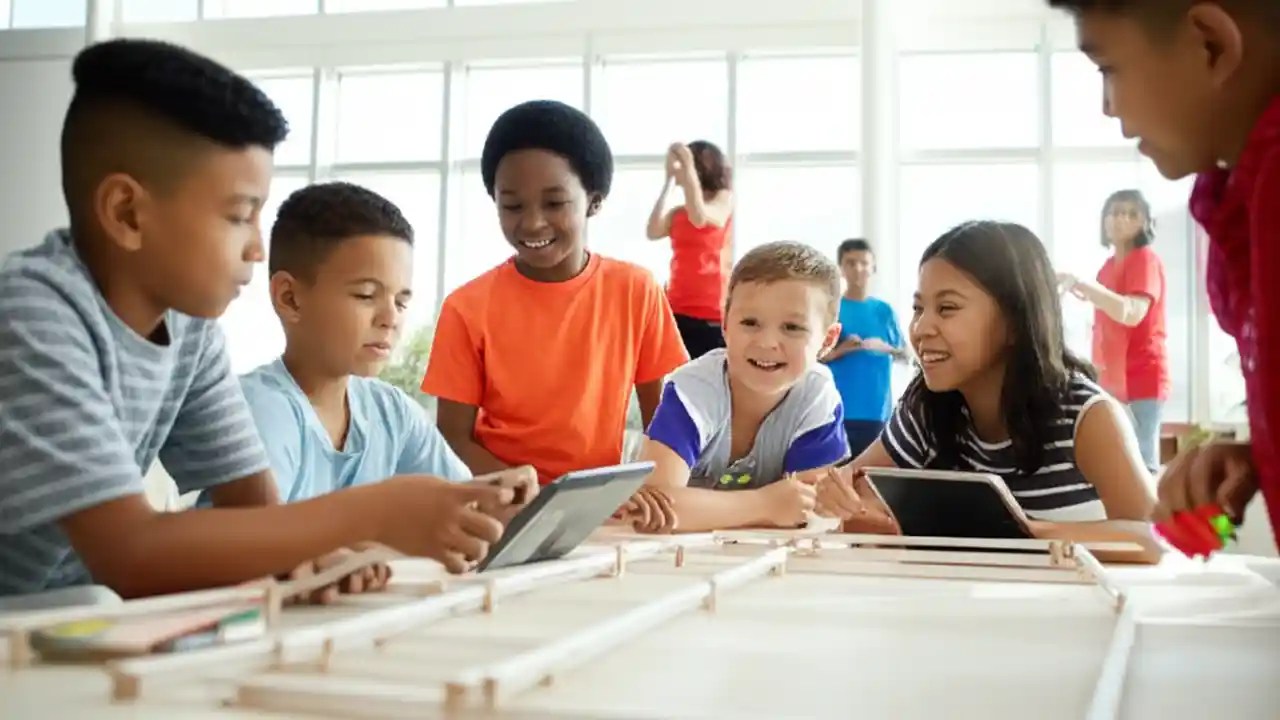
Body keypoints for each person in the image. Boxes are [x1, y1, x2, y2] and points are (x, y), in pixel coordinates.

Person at [0, 39, 518, 605]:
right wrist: (373, 513)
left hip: (72, 619)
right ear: (127, 213)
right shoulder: (33, 314)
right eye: (239, 216)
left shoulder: (189, 331)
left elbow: (255, 511)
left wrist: (313, 559)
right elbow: (129, 554)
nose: (256, 248)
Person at [1045, 0, 1280, 545]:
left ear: (1210, 45)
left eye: (1109, 69)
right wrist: (1263, 455)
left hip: (1142, 381)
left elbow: (1131, 312)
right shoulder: (1239, 194)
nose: (1107, 107)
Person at [814, 222, 1156, 552]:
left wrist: (1015, 531)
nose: (920, 328)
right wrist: (853, 505)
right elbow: (851, 484)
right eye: (919, 308)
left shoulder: (1086, 416)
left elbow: (1151, 538)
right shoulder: (926, 407)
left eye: (947, 308)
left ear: (1014, 321)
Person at [422, 100, 689, 485]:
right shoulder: (466, 307)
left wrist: (648, 489)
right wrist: (535, 496)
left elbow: (662, 425)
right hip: (502, 500)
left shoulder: (636, 290)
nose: (532, 223)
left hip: (599, 502)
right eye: (512, 205)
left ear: (593, 201)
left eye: (554, 203)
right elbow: (452, 438)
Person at [236, 182, 473, 503]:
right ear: (290, 298)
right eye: (366, 295)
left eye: (401, 302)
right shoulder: (261, 411)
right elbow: (258, 531)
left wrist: (505, 495)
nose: (390, 318)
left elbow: (467, 501)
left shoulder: (391, 411)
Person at [620, 241, 851, 534]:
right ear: (726, 325)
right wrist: (765, 505)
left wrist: (799, 507)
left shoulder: (817, 396)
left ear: (827, 340)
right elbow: (654, 507)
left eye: (792, 327)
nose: (766, 342)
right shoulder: (694, 388)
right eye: (750, 322)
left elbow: (807, 511)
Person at [1058, 190, 1168, 474]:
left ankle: (1148, 505)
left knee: (1142, 464)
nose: (1121, 219)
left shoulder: (1145, 260)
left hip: (1142, 376)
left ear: (1145, 223)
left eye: (1131, 214)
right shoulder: (1107, 268)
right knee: (1119, 463)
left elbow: (1131, 313)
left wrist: (1082, 284)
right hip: (1111, 378)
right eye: (1115, 212)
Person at [645, 140, 735, 359]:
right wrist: (669, 181)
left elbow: (700, 217)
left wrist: (686, 167)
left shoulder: (723, 200)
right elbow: (652, 230)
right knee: (678, 373)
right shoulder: (679, 214)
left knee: (711, 374)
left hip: (713, 312)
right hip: (678, 308)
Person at [821, 239, 909, 457]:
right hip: (835, 410)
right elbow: (813, 357)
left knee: (870, 474)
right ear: (841, 268)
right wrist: (842, 349)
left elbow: (906, 355)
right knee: (835, 472)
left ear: (873, 267)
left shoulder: (884, 311)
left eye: (864, 263)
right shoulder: (832, 309)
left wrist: (886, 348)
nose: (858, 269)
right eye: (851, 263)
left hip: (877, 412)